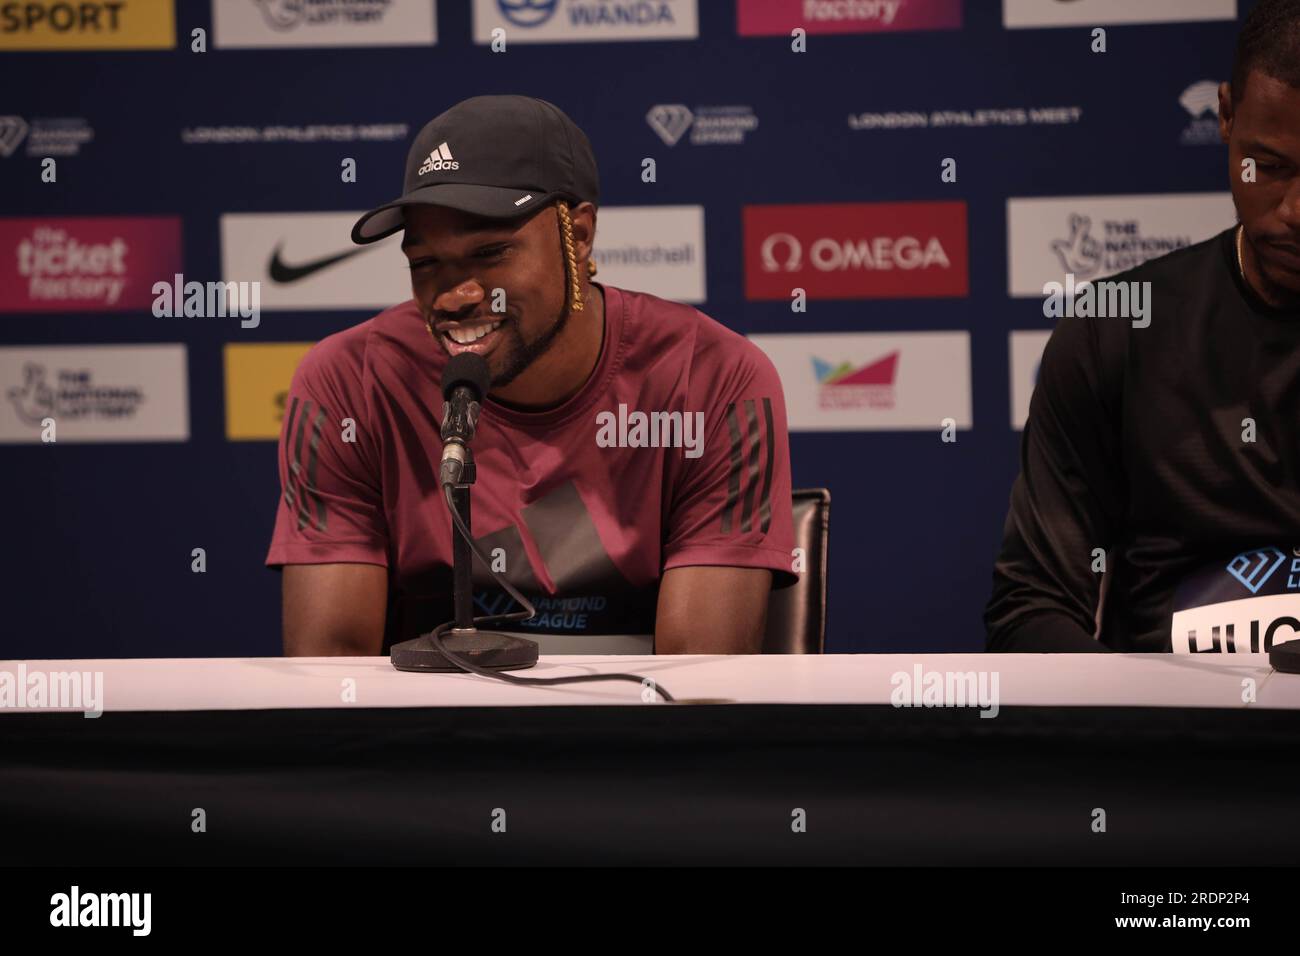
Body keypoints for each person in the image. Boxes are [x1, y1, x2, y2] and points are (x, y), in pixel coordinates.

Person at [266, 94, 795, 656]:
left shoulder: (712, 378)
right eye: (425, 264)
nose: (455, 296)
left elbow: (701, 679)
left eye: (491, 252)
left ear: (580, 236)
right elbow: (331, 674)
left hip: (633, 729)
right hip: (429, 735)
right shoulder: (350, 382)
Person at [986, 0, 1300, 652]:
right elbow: (1032, 607)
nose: (1296, 211)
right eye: (1267, 168)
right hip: (1166, 741)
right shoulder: (1114, 332)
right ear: (1224, 116)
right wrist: (1130, 726)